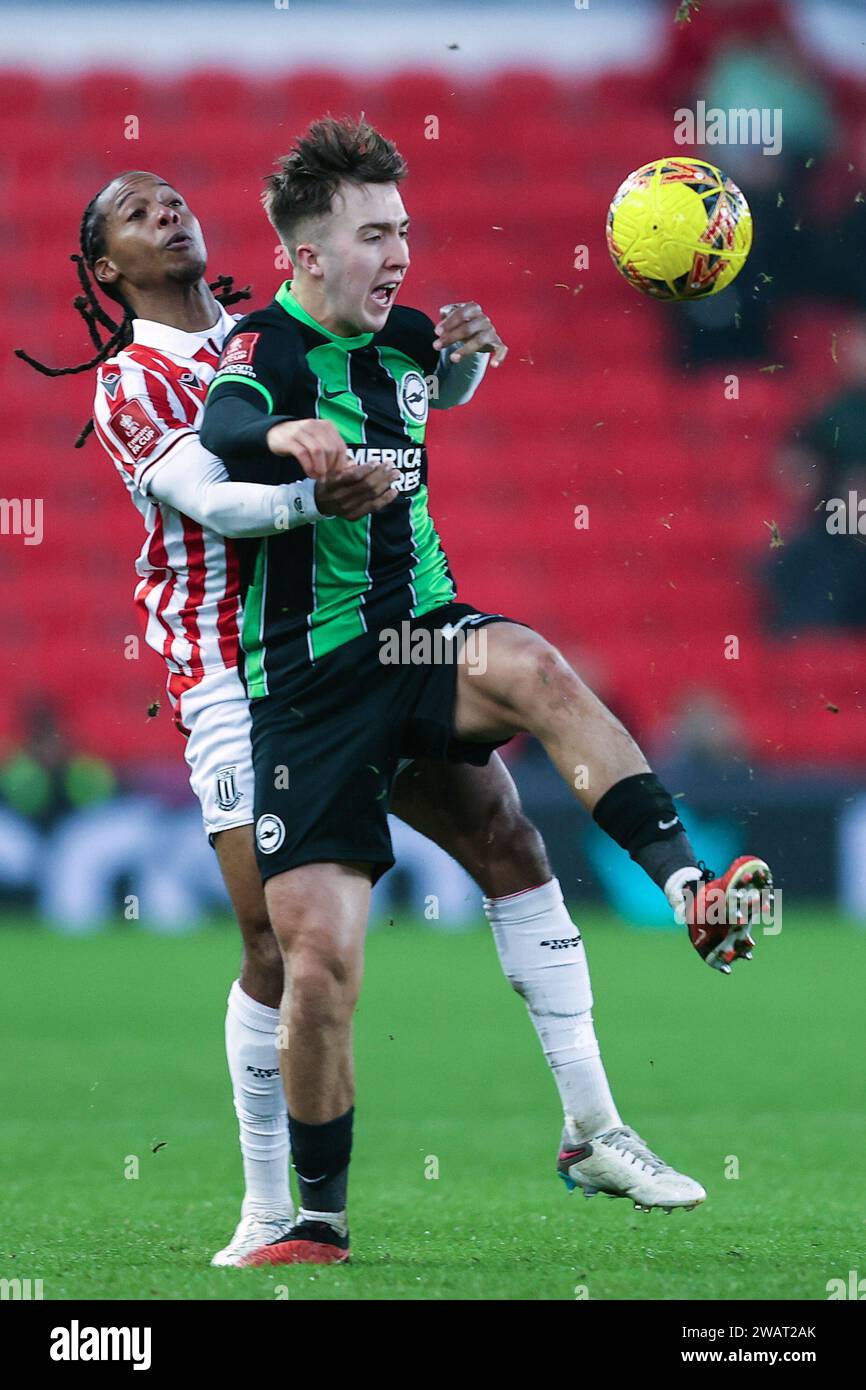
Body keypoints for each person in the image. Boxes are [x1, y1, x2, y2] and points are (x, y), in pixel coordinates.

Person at [17, 170, 714, 1270]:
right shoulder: (134, 380)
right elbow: (221, 500)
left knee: (508, 842)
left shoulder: (269, 329)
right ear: (104, 270)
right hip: (236, 679)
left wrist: (458, 371)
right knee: (277, 949)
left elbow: (391, 401)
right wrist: (311, 494)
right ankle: (267, 1210)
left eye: (171, 198)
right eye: (133, 212)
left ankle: (595, 1125)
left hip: (367, 644)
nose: (167, 210)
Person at [200, 118, 773, 1266]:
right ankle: (313, 1217)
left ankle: (685, 898)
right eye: (373, 236)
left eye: (403, 230)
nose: (398, 254)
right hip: (308, 690)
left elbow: (431, 389)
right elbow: (221, 428)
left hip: (418, 640)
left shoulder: (403, 337)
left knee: (536, 677)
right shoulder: (261, 349)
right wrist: (287, 434)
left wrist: (463, 360)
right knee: (318, 962)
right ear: (307, 255)